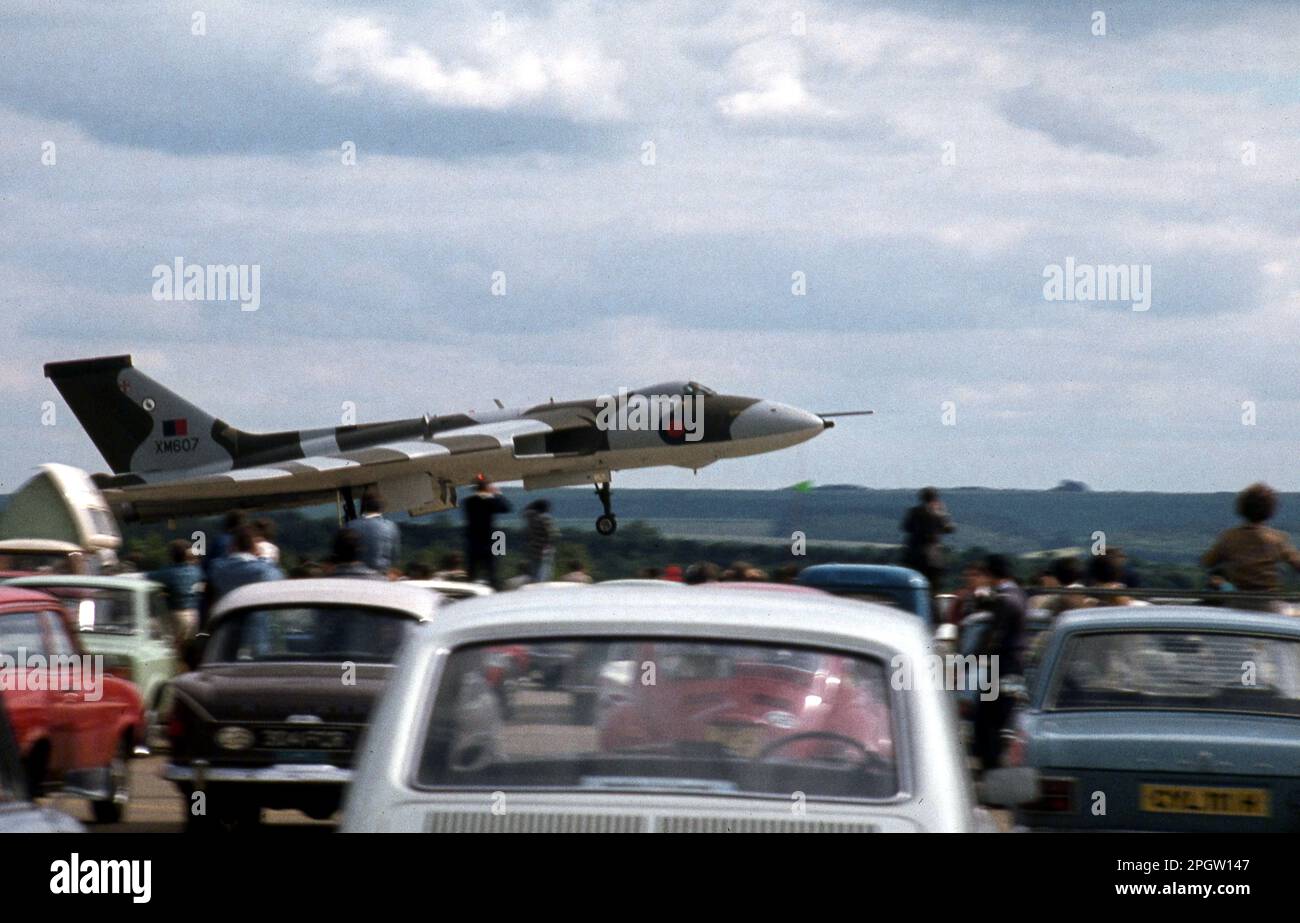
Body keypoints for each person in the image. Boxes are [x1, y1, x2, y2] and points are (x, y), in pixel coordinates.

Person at [1202, 483, 1300, 610]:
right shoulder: (1276, 539)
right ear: (1270, 510)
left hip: (1238, 603)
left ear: (1242, 507)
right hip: (1270, 604)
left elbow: (1207, 562)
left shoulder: (1229, 537)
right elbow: (1297, 564)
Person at [971, 554, 1025, 772]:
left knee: (986, 720)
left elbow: (994, 636)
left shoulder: (1003, 599)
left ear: (992, 575)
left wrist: (972, 660)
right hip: (1015, 664)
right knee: (1003, 718)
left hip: (999, 666)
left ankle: (990, 771)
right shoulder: (1019, 594)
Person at [206, 525, 284, 611]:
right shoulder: (266, 571)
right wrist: (265, 558)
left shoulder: (216, 569)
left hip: (226, 620)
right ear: (255, 546)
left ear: (232, 546)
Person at [147, 539, 204, 644]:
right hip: (195, 615)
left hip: (176, 615)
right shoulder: (198, 572)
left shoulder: (167, 573)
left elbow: (147, 577)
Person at [900, 487, 955, 592]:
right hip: (932, 558)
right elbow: (949, 529)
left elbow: (906, 527)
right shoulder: (938, 513)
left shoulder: (914, 512)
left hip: (912, 555)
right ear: (935, 499)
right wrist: (943, 513)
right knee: (933, 590)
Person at [462, 476, 511, 588]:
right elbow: (506, 508)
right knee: (492, 574)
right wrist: (497, 494)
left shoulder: (469, 502)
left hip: (473, 542)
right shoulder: (490, 502)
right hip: (491, 541)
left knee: (471, 574)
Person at [350, 488, 401, 574]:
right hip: (382, 575)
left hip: (357, 576)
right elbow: (395, 556)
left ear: (363, 505)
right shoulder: (391, 527)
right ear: (381, 507)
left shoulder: (351, 526)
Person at [523, 499, 556, 582]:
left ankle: (534, 583)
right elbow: (552, 534)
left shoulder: (530, 518)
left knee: (535, 569)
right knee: (545, 570)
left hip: (533, 548)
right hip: (545, 548)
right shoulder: (545, 518)